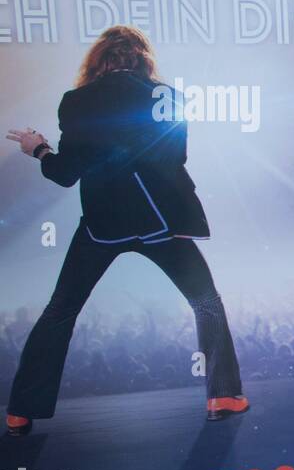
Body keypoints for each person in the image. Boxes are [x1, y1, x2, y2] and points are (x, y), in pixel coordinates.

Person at [5, 25, 248, 436]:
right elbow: (177, 156)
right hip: (161, 223)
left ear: (98, 61)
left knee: (60, 311)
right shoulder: (169, 96)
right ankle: (223, 395)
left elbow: (66, 174)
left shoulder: (78, 101)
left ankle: (21, 411)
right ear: (142, 59)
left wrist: (39, 149)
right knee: (205, 302)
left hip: (103, 223)